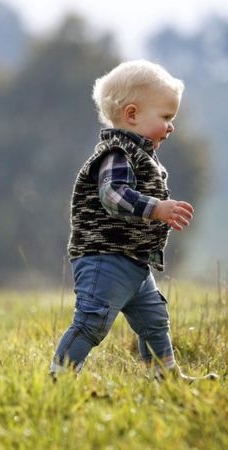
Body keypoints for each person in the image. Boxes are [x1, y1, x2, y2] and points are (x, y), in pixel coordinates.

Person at [50, 60, 217, 381]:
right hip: (103, 257)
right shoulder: (116, 153)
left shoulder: (141, 155)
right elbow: (112, 195)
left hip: (133, 261)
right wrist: (156, 208)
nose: (171, 126)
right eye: (166, 117)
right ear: (131, 115)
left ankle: (165, 377)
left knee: (154, 319)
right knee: (92, 321)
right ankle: (59, 377)